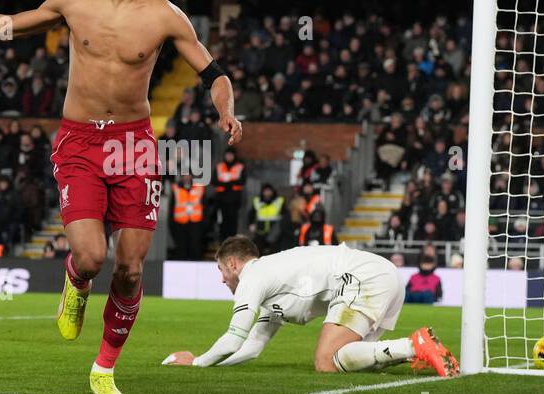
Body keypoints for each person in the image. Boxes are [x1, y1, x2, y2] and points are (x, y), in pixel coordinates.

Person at [0, 0, 241, 394]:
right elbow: (7, 27)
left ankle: (104, 368)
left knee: (131, 267)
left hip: (134, 145)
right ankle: (76, 284)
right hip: (81, 141)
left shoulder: (166, 15)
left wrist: (226, 111)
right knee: (90, 256)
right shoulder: (73, 2)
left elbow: (214, 73)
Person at [162, 236, 457, 374]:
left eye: (221, 272)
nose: (223, 280)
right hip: (382, 275)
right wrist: (214, 367)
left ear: (232, 263)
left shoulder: (253, 276)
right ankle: (432, 353)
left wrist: (197, 362)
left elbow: (233, 338)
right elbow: (251, 347)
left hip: (362, 277)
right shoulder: (270, 281)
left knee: (325, 361)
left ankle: (414, 345)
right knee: (353, 363)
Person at [169, 173, 207, 259]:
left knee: (195, 249)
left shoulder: (200, 188)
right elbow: (172, 208)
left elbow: (205, 208)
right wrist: (172, 225)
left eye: (188, 175)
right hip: (180, 225)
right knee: (181, 251)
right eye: (184, 176)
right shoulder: (176, 189)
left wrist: (204, 225)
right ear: (181, 177)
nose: (187, 178)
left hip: (196, 224)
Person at [211, 148, 245, 240]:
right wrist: (229, 184)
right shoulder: (219, 166)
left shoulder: (240, 166)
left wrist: (226, 184)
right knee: (222, 221)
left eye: (231, 155)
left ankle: (232, 241)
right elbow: (213, 181)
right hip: (221, 199)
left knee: (232, 221)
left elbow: (242, 181)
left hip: (234, 198)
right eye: (227, 155)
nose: (229, 157)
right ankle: (223, 241)